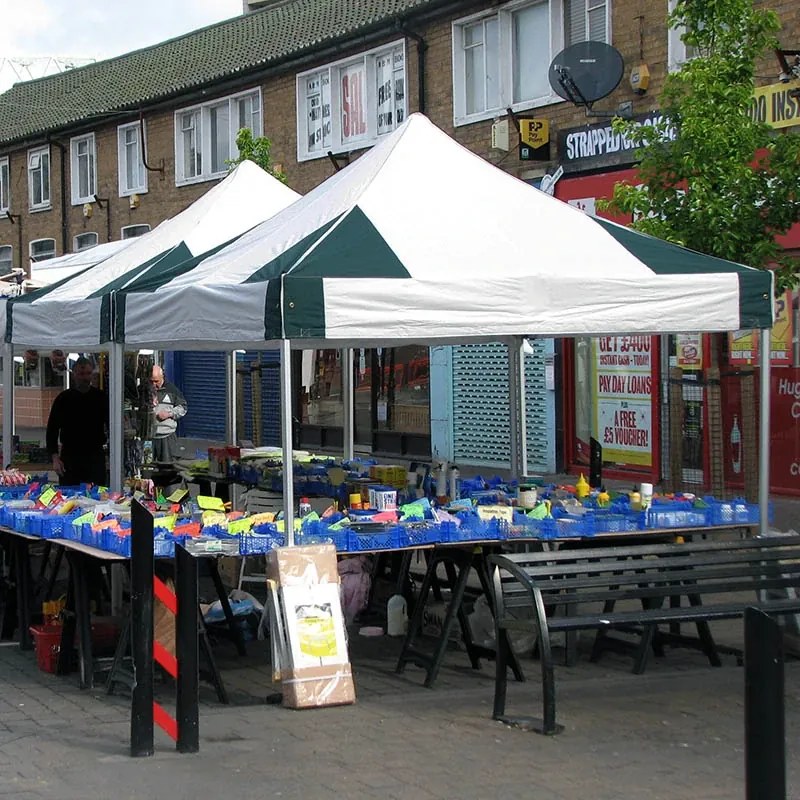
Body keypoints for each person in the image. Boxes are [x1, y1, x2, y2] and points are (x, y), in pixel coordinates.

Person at [46, 356, 108, 486]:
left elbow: (112, 426)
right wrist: (55, 458)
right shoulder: (63, 399)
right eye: (81, 374)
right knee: (69, 495)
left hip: (94, 456)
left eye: (88, 373)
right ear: (74, 374)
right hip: (70, 457)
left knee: (98, 495)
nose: (85, 377)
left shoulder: (101, 398)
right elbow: (52, 430)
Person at [150, 365, 187, 464]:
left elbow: (183, 408)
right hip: (148, 437)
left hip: (167, 437)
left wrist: (169, 413)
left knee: (168, 467)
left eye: (156, 381)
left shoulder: (172, 390)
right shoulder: (144, 391)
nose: (154, 384)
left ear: (162, 377)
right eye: (151, 381)